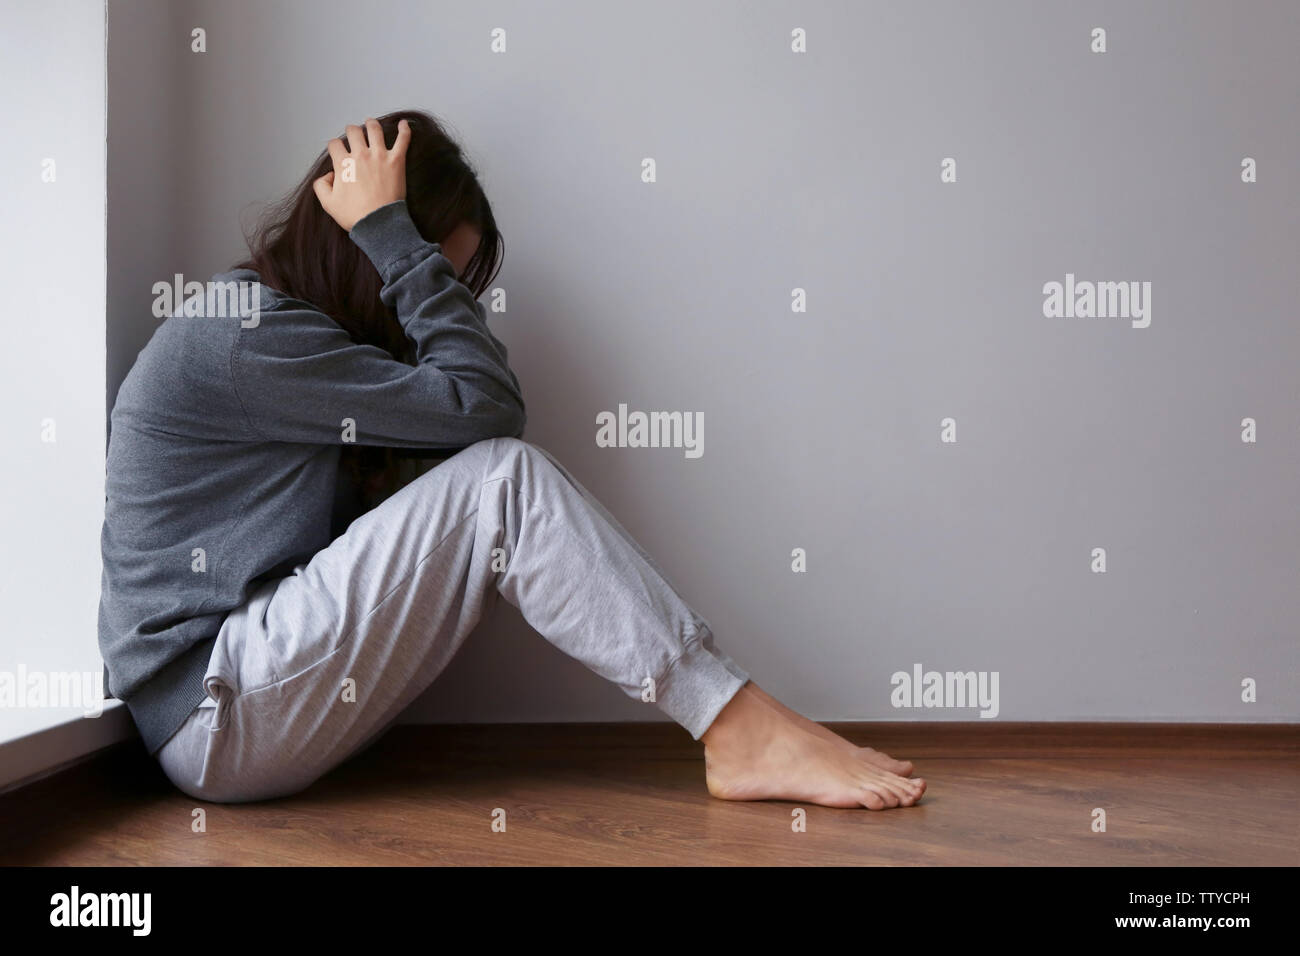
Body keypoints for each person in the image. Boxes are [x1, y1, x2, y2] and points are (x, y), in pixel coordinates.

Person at [99, 109, 926, 810]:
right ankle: (739, 729)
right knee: (504, 480)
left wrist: (405, 260)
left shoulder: (292, 342)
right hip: (218, 711)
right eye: (414, 274)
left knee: (491, 480)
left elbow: (465, 415)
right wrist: (393, 234)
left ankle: (750, 723)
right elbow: (488, 411)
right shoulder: (248, 337)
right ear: (368, 248)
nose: (415, 302)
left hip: (239, 701)